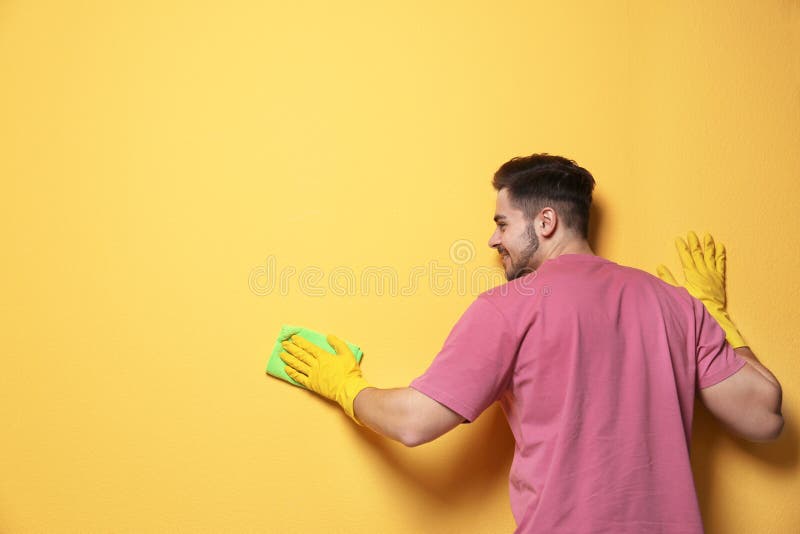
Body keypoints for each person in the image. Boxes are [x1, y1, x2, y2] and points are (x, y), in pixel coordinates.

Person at [279, 154, 783, 533]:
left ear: (545, 222)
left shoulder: (510, 306)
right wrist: (714, 315)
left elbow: (414, 422)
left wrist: (346, 387)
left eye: (502, 223)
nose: (493, 240)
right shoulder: (676, 304)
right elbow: (764, 417)